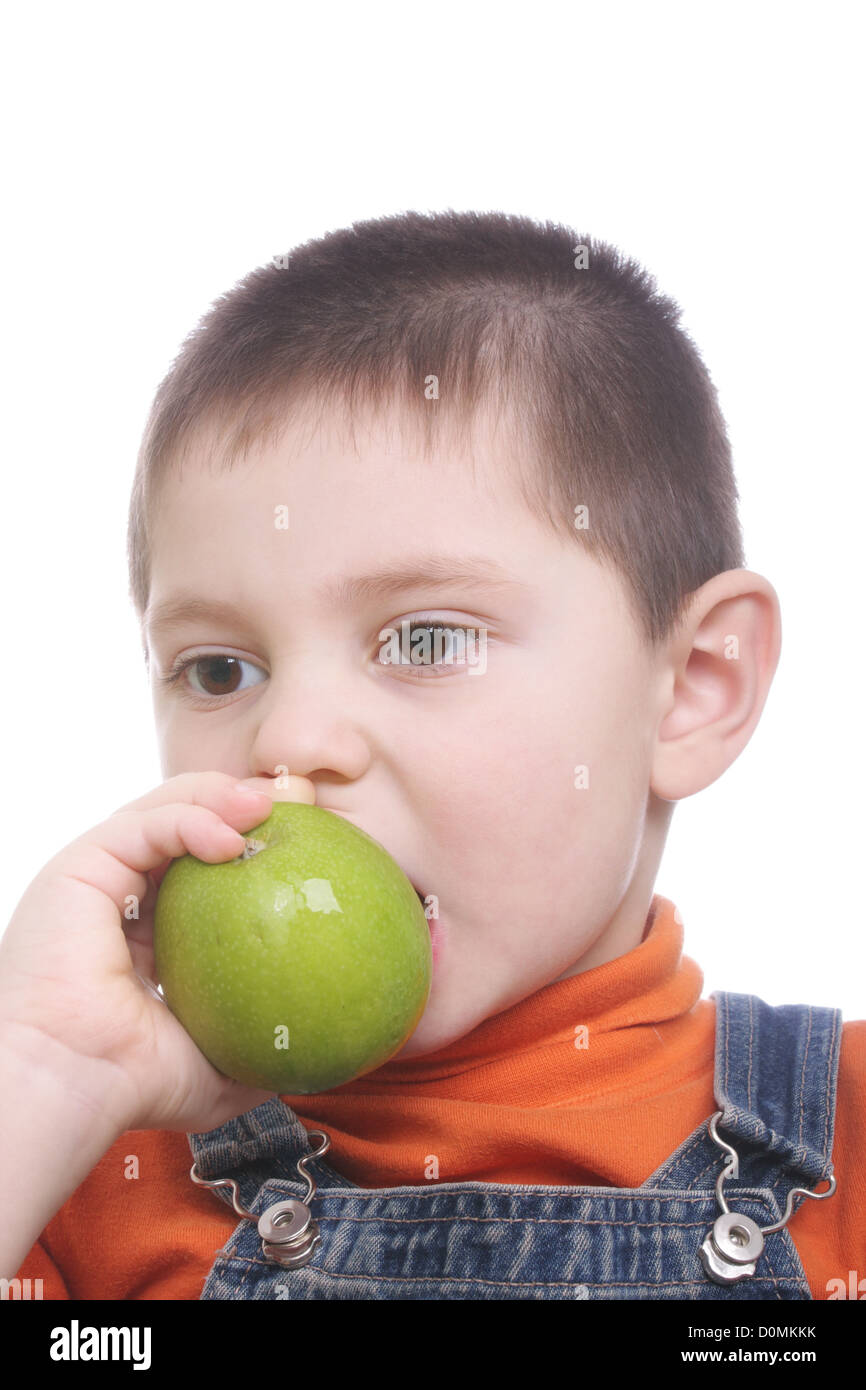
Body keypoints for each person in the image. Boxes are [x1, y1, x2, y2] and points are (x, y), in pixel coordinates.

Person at [2, 210, 863, 1300]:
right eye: (220, 669)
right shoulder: (75, 1173)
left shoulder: (846, 1152)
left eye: (424, 639)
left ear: (693, 688)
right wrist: (37, 1077)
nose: (289, 742)